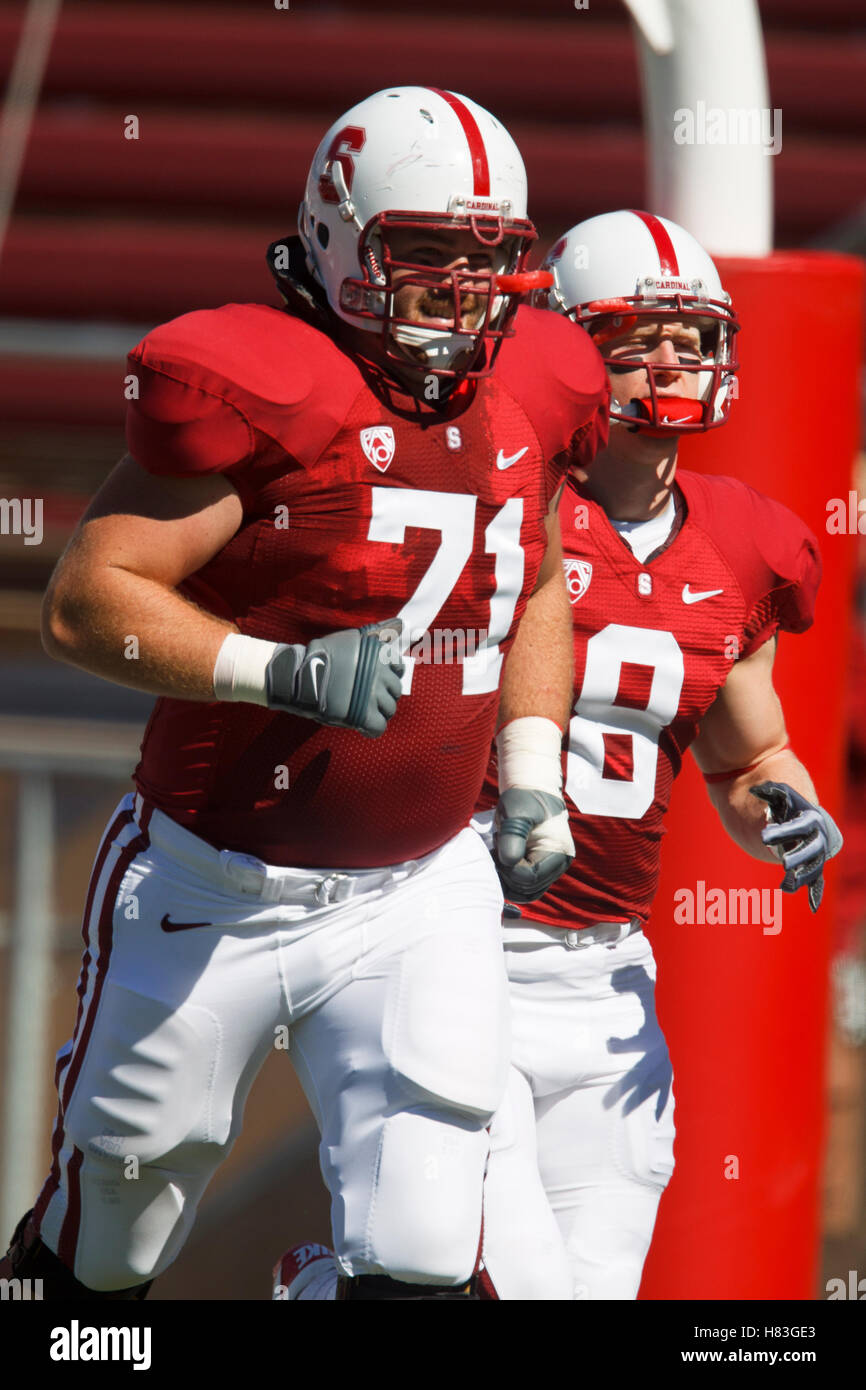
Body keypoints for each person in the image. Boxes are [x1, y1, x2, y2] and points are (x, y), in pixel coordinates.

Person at [0, 88, 609, 1302]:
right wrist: (276, 669)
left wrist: (532, 772)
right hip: (214, 878)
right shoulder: (281, 390)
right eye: (425, 252)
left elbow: (539, 576)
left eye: (489, 260)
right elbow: (87, 598)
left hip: (419, 884)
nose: (460, 291)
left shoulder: (539, 381)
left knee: (423, 1249)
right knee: (115, 1228)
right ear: (336, 237)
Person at [274, 208, 842, 1302]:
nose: (672, 360)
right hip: (455, 946)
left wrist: (782, 803)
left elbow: (744, 754)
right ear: (570, 345)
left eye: (694, 335)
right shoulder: (486, 499)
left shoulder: (744, 541)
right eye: (638, 334)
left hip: (609, 979)